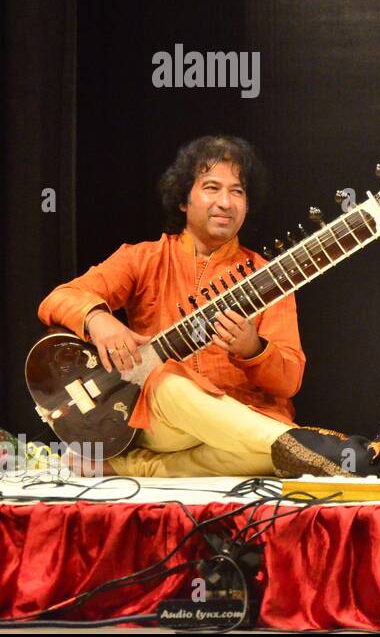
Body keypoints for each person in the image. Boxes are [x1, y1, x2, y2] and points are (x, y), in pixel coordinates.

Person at [37, 136, 302, 477]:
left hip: (237, 419)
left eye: (237, 191)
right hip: (165, 421)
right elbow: (58, 299)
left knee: (270, 458)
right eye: (211, 188)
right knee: (171, 384)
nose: (225, 202)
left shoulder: (267, 278)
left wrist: (253, 348)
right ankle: (300, 443)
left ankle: (126, 467)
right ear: (183, 200)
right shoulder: (144, 258)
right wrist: (98, 319)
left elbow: (290, 380)